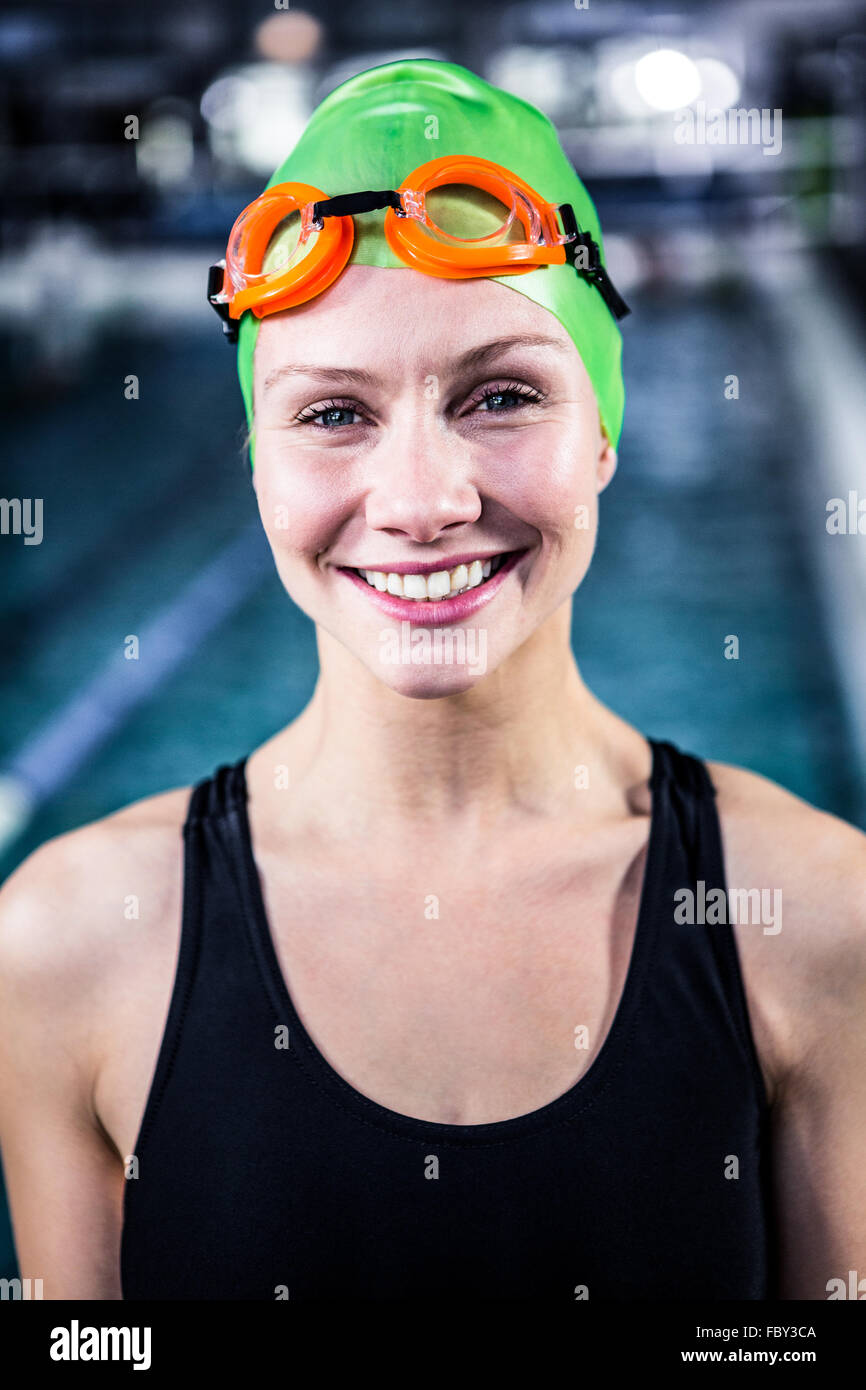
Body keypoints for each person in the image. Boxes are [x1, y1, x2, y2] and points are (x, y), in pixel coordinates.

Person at [0, 58, 864, 1302]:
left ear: (603, 433)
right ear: (255, 466)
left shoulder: (816, 923)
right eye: (331, 415)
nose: (421, 503)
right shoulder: (67, 944)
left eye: (502, 394)